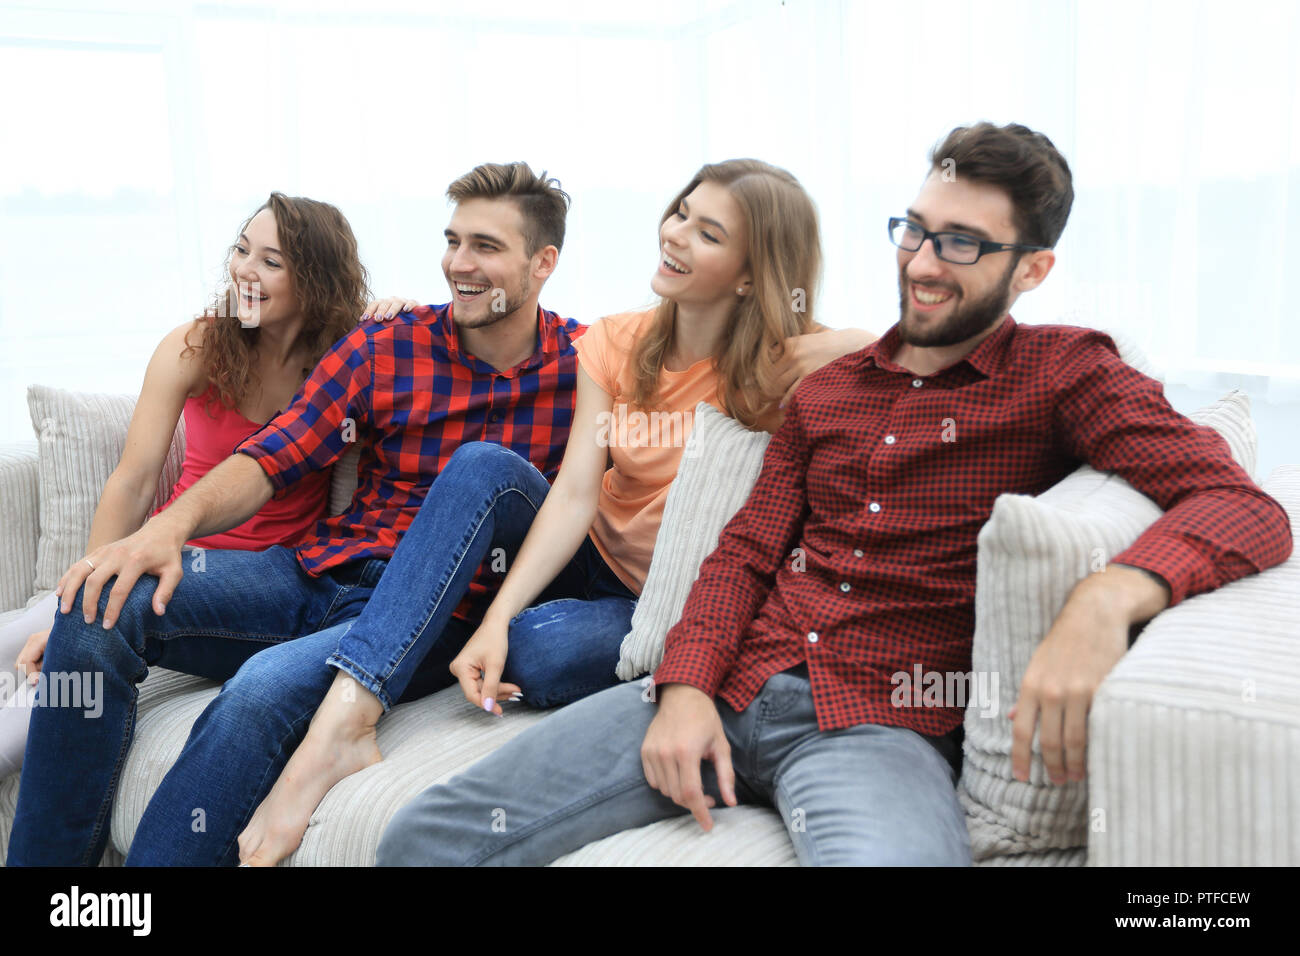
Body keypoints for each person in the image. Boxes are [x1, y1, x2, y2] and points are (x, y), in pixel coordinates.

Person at [374, 122, 1294, 867]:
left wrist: (1108, 595)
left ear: (1032, 269)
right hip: (727, 685)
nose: (925, 263)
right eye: (915, 229)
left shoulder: (1063, 372)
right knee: (420, 840)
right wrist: (687, 686)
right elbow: (742, 555)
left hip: (880, 725)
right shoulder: (830, 389)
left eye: (963, 242)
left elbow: (1244, 504)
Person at [232, 158, 878, 867]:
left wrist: (861, 343)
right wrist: (499, 617)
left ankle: (456, 644)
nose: (677, 235)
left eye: (709, 233)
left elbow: (939, 348)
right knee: (483, 468)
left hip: (649, 607)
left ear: (754, 273)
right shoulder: (616, 341)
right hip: (590, 559)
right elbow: (573, 494)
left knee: (538, 659)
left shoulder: (795, 364)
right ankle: (341, 727)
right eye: (681, 213)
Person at [4, 162, 588, 866]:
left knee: (258, 693)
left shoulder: (592, 366)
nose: (458, 264)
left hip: (426, 616)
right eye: (452, 239)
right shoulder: (387, 345)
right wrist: (165, 530)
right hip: (316, 572)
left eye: (486, 247)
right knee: (101, 600)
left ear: (544, 261)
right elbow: (271, 456)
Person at [0, 193, 361, 780]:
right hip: (160, 553)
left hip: (249, 587)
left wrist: (393, 311)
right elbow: (134, 480)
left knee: (48, 697)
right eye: (242, 250)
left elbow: (420, 356)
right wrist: (81, 586)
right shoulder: (197, 346)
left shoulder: (348, 367)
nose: (245, 268)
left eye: (271, 261)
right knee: (16, 637)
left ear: (316, 280)